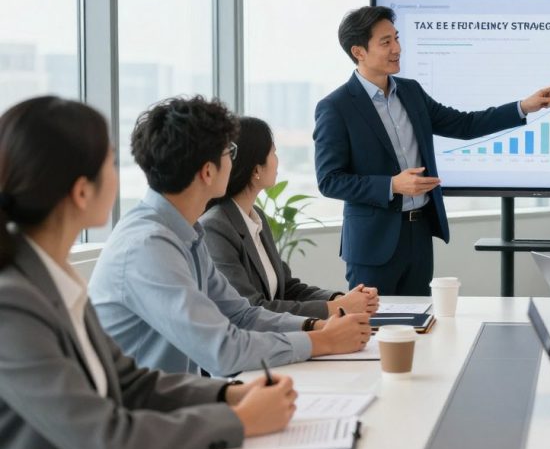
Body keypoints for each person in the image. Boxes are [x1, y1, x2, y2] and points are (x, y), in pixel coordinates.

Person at [0, 97, 296, 449]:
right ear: (81, 193)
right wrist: (240, 421)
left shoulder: (53, 277)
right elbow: (107, 437)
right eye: (110, 162)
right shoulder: (13, 303)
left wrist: (228, 393)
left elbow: (131, 384)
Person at [91, 96, 371, 377]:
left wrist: (318, 327)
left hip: (182, 399)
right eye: (229, 151)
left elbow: (241, 315)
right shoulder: (148, 246)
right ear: (208, 172)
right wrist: (322, 341)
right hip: (145, 412)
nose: (234, 161)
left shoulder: (187, 232)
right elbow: (221, 350)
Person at [314, 5, 550, 295]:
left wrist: (523, 107)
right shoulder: (336, 107)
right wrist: (393, 185)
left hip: (418, 234)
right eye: (386, 42)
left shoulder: (411, 92)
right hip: (373, 244)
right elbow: (329, 180)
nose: (397, 48)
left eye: (396, 38)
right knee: (374, 330)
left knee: (421, 326)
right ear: (359, 52)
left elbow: (465, 124)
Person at [202, 116, 380, 319]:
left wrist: (339, 299)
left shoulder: (256, 216)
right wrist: (336, 308)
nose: (278, 161)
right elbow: (251, 309)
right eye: (274, 153)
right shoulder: (215, 227)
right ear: (256, 169)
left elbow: (288, 288)